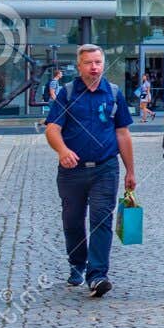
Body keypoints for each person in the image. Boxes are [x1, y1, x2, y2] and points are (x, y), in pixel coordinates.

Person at [43, 45, 137, 298]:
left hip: (105, 169)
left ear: (103, 64)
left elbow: (123, 133)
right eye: (88, 63)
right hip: (71, 171)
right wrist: (63, 151)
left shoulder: (114, 94)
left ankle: (97, 275)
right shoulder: (68, 93)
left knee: (101, 221)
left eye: (97, 62)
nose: (94, 67)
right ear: (79, 66)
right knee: (72, 220)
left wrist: (130, 170)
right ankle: (77, 263)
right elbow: (52, 128)